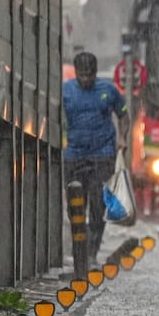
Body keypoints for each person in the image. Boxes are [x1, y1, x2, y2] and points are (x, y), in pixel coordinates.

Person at [63, 51, 129, 267]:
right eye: (82, 76)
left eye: (89, 76)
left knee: (98, 205)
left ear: (95, 73)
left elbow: (123, 114)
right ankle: (78, 252)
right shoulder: (66, 91)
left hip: (102, 156)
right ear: (76, 73)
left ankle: (92, 252)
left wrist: (122, 137)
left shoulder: (108, 90)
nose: (85, 80)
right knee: (75, 206)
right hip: (75, 155)